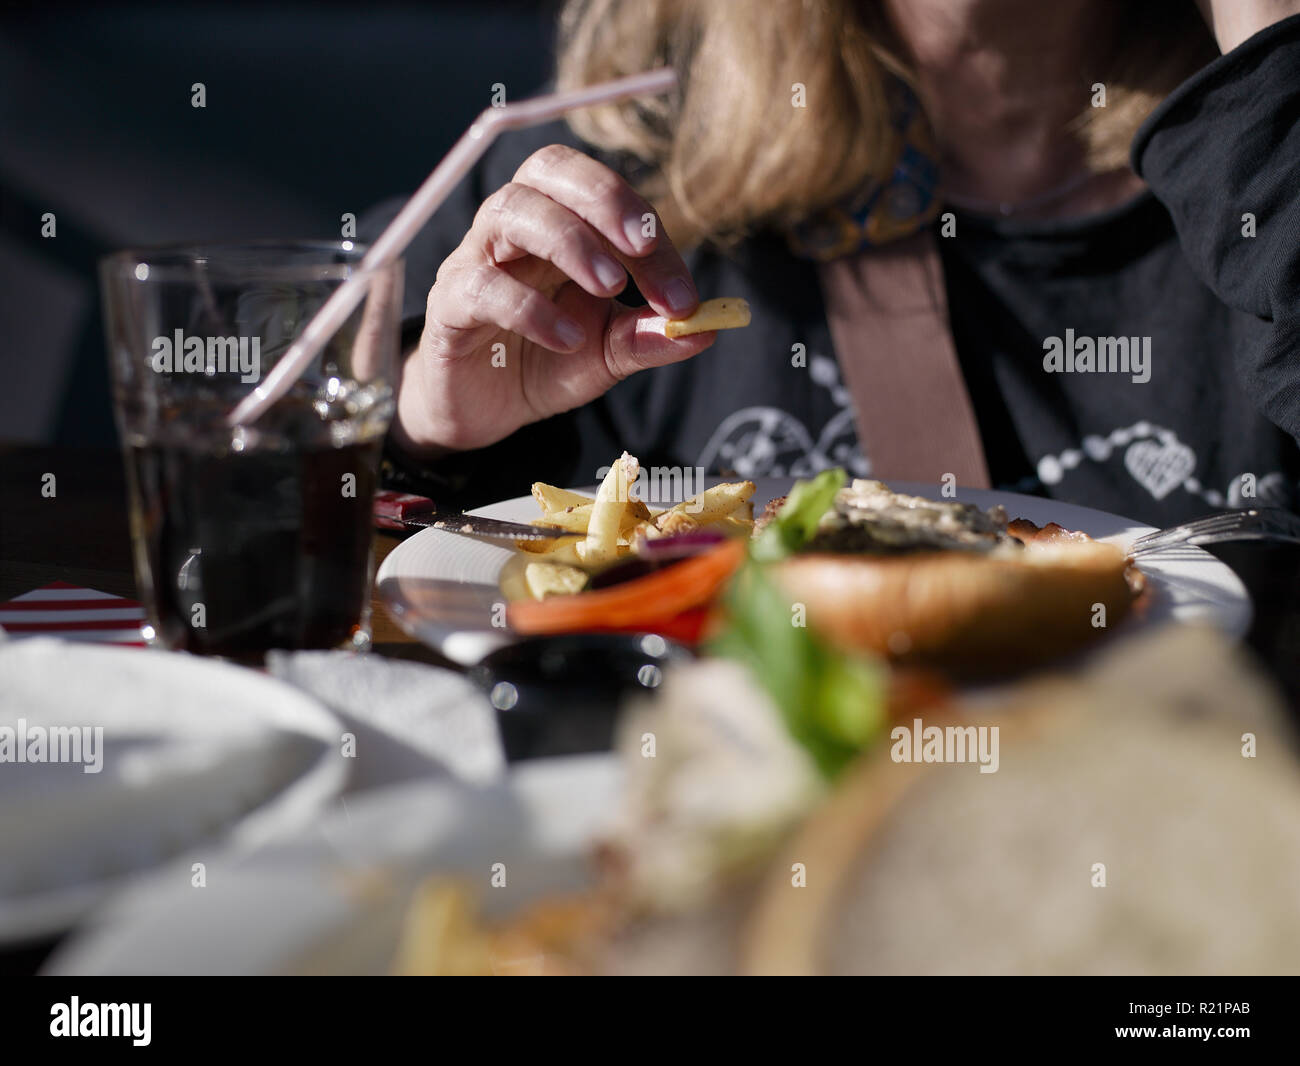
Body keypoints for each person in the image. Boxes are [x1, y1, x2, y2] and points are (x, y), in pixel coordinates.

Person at [364, 0, 1300, 527]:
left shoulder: (1271, 143)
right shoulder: (612, 168)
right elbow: (263, 484)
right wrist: (429, 436)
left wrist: (1274, 93)